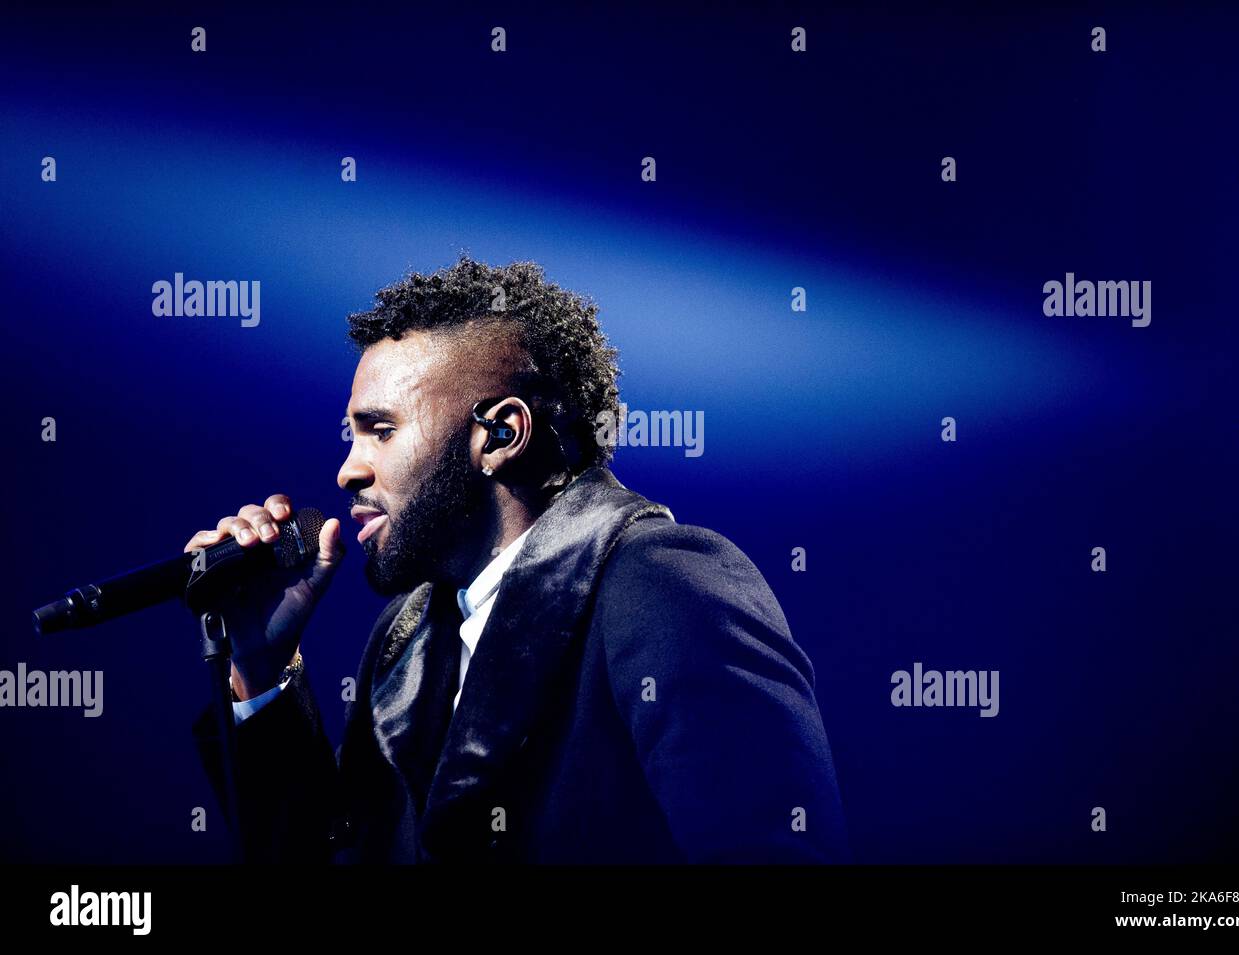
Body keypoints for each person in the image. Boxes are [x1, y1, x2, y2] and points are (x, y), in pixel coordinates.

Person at [190, 256, 848, 863]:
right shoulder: (405, 638)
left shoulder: (663, 582)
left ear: (501, 434)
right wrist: (261, 668)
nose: (347, 470)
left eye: (380, 430)